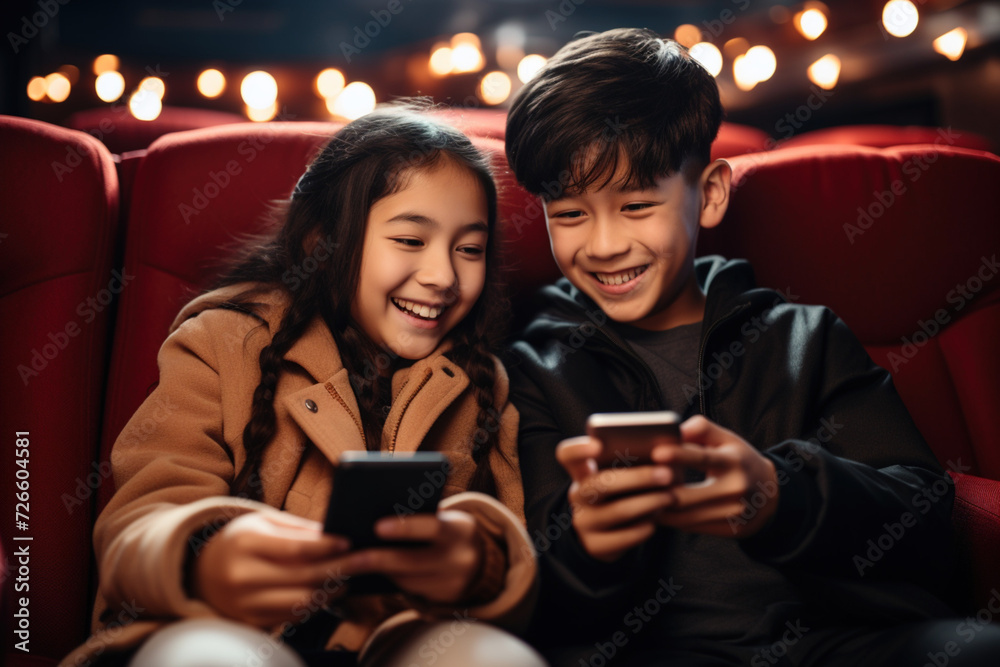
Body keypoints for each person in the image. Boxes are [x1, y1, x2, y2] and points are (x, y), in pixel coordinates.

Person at [503, 28, 1000, 666]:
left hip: (839, 639)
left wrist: (778, 492)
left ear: (709, 193)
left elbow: (925, 523)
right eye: (568, 214)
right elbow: (537, 591)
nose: (602, 245)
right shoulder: (535, 372)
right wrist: (590, 549)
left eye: (636, 205)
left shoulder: (804, 338)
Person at [61, 108, 543, 667]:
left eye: (470, 249)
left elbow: (510, 553)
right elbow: (138, 520)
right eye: (410, 240)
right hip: (226, 631)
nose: (443, 275)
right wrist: (206, 558)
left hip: (392, 645)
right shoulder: (219, 343)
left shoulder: (482, 382)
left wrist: (472, 562)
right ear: (325, 241)